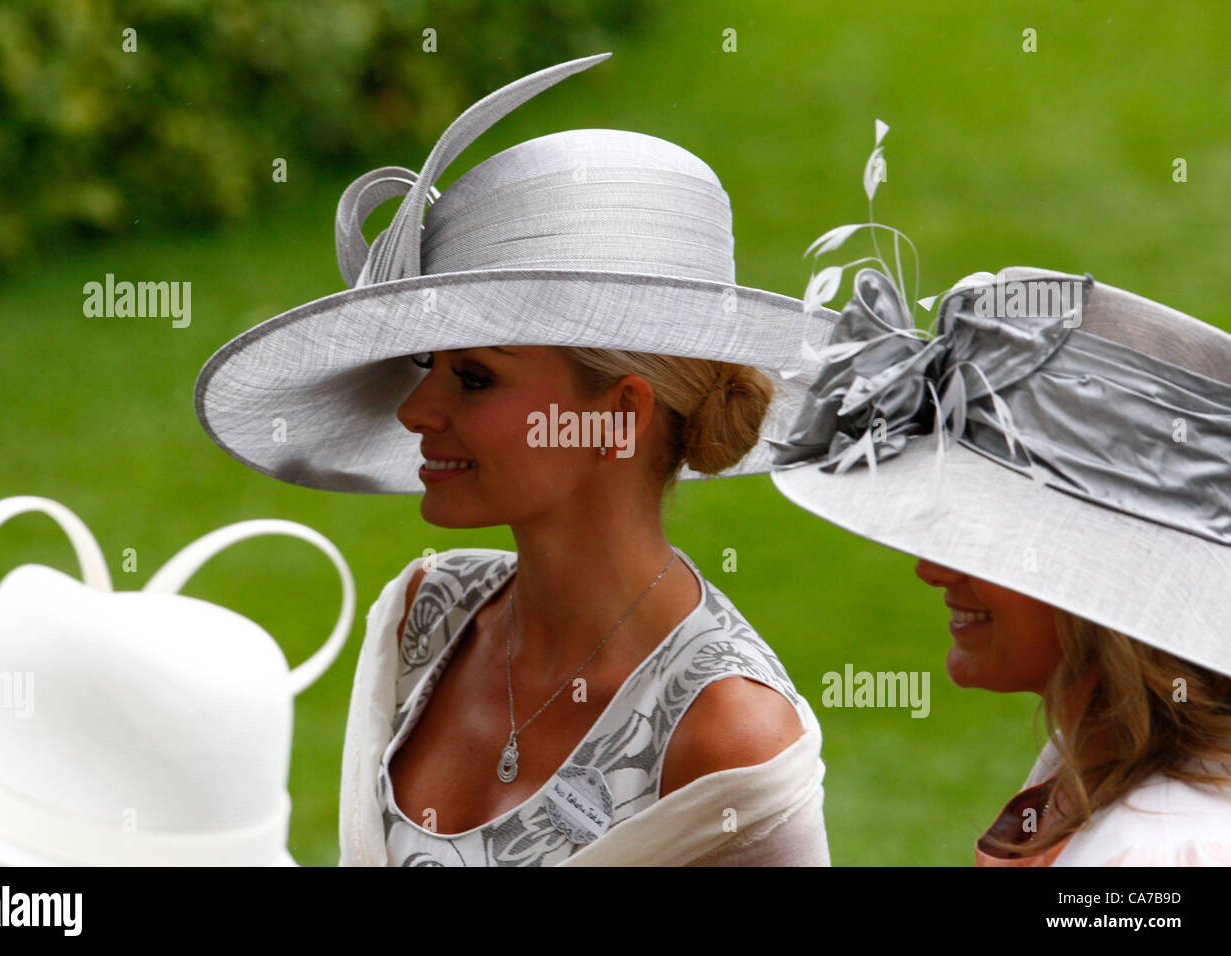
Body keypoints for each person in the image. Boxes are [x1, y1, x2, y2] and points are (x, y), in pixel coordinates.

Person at [193, 53, 840, 866]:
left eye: (474, 376)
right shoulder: (428, 615)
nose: (416, 410)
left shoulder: (722, 733)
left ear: (617, 418)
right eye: (431, 367)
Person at [770, 264, 1231, 865]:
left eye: (984, 536)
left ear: (1098, 569)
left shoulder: (1151, 851)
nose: (932, 571)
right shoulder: (1105, 757)